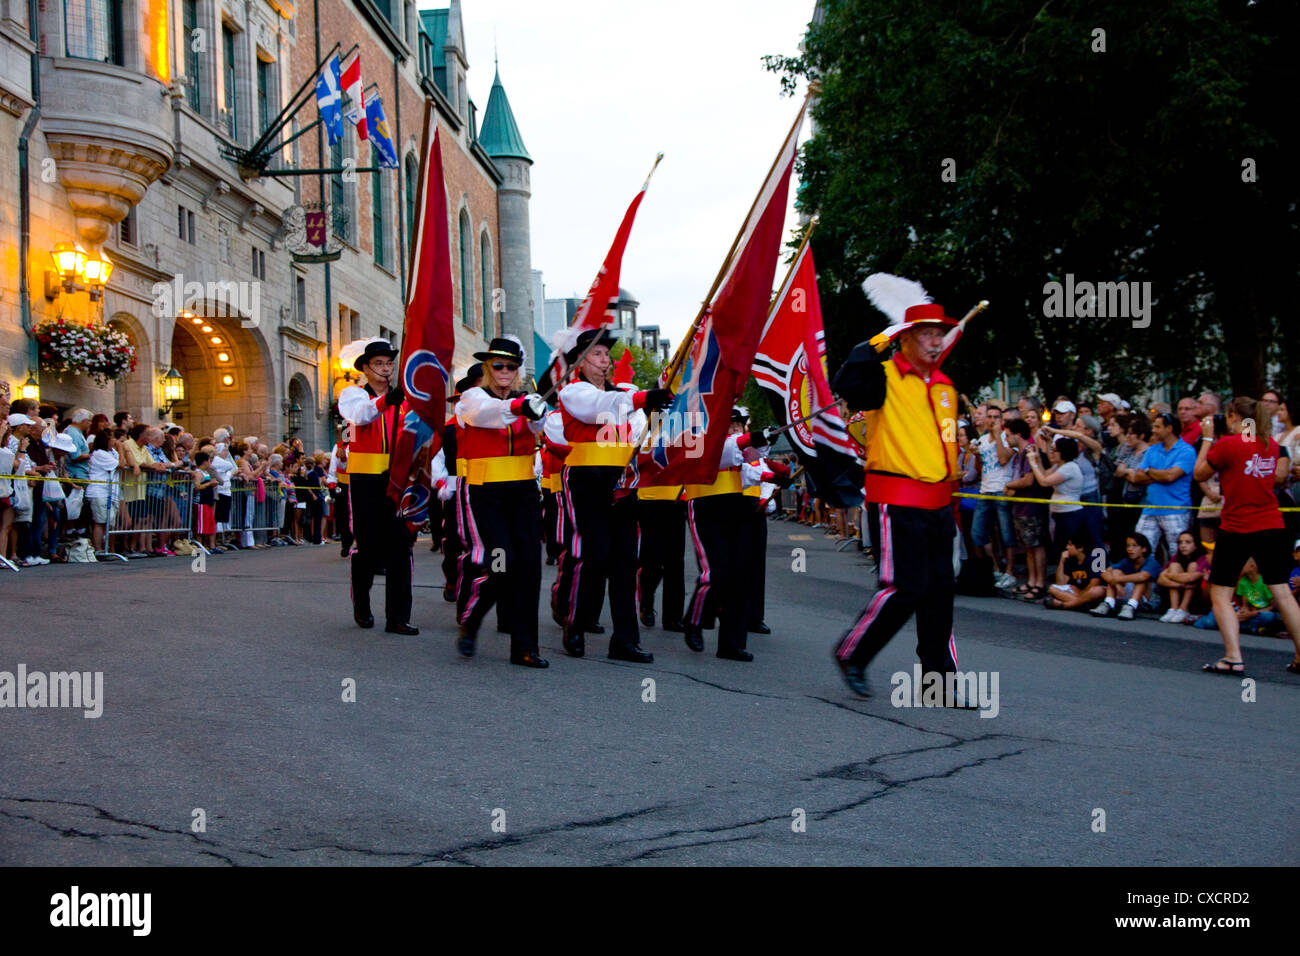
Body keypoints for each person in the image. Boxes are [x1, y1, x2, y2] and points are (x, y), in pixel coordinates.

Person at [830, 291, 967, 700]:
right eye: (925, 332)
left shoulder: (945, 386)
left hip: (939, 500)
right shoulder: (883, 376)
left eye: (939, 333)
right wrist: (878, 340)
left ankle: (938, 679)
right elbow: (847, 381)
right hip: (898, 496)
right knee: (901, 587)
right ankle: (852, 653)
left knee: (940, 590)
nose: (935, 340)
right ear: (905, 337)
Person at [556, 328, 672, 662]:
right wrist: (641, 400)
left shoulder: (624, 394)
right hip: (586, 480)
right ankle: (575, 622)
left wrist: (659, 407)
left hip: (622, 482)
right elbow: (599, 408)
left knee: (624, 561)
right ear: (580, 361)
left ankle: (625, 640)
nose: (605, 361)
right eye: (597, 354)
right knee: (594, 556)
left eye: (607, 355)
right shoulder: (573, 392)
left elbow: (639, 430)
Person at [452, 337, 549, 668]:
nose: (505, 371)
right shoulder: (471, 397)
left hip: (522, 490)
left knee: (529, 569)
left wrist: (536, 411)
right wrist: (520, 407)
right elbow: (486, 415)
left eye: (511, 366)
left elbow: (539, 427)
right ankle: (472, 617)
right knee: (500, 564)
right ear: (487, 368)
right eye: (498, 365)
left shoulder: (527, 399)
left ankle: (525, 647)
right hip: (485, 492)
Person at [1192, 396, 1300, 676]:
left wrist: (1207, 439)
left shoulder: (1228, 444)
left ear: (1232, 417)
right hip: (1271, 522)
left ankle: (1233, 656)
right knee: (1283, 592)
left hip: (1238, 525)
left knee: (1220, 590)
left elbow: (1199, 472)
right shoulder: (1270, 444)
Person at [338, 337, 418, 635]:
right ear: (366, 369)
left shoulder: (405, 402)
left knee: (401, 546)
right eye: (379, 364)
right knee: (368, 547)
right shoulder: (352, 394)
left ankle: (398, 616)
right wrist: (387, 401)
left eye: (389, 363)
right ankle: (361, 602)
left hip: (397, 480)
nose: (385, 369)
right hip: (365, 481)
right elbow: (360, 415)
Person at [681, 408, 774, 661]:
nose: (733, 427)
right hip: (706, 505)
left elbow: (752, 469)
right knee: (715, 572)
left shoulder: (739, 445)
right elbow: (718, 452)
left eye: (737, 423)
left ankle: (732, 643)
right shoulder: (698, 433)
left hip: (738, 506)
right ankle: (695, 620)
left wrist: (770, 469)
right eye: (729, 422)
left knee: (740, 575)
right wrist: (748, 441)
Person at [1129, 411, 1196, 562]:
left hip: (1175, 509)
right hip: (1150, 508)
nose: (1153, 430)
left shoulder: (1187, 451)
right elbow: (1137, 477)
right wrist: (1161, 475)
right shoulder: (1152, 449)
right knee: (1139, 552)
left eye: (1157, 427)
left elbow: (1171, 476)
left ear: (1170, 428)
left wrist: (1149, 471)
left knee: (1178, 554)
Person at [971, 403, 1016, 589]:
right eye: (989, 417)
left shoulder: (1007, 438)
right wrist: (977, 456)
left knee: (1006, 534)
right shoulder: (982, 439)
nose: (991, 421)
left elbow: (1004, 459)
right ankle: (995, 567)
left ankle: (1010, 572)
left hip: (1001, 489)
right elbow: (979, 470)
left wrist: (998, 436)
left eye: (996, 417)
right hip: (985, 489)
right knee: (978, 533)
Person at [1003, 418, 1049, 600]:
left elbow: (1029, 479)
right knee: (1028, 547)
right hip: (1020, 507)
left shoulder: (1030, 451)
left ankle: (1039, 583)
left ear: (1018, 434)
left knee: (1036, 545)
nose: (1007, 439)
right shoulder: (1018, 454)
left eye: (1008, 436)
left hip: (1031, 506)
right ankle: (1031, 580)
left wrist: (1009, 485)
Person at [1026, 435, 1085, 563]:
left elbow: (1044, 482)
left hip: (1069, 514)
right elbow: (1045, 474)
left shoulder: (1069, 468)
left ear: (1063, 452)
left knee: (1068, 547)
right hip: (1059, 513)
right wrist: (1037, 461)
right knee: (1059, 546)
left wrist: (1032, 463)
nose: (1051, 452)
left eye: (1054, 450)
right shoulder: (1059, 466)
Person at [1090, 532, 1161, 620]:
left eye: (1134, 546)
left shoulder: (1151, 561)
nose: (1130, 549)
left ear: (1144, 549)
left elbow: (1143, 576)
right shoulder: (1126, 561)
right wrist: (1114, 582)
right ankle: (1108, 603)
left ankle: (1131, 606)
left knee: (1140, 579)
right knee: (1116, 571)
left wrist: (1117, 580)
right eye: (1128, 546)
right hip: (1125, 594)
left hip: (1148, 600)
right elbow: (1105, 572)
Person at [1157, 531, 1210, 623]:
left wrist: (1170, 576)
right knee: (1174, 566)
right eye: (1180, 542)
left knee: (1193, 565)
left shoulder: (1203, 558)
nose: (1183, 545)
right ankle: (1173, 609)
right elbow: (1160, 579)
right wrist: (1180, 585)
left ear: (1196, 545)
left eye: (1188, 542)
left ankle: (1183, 609)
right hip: (1181, 589)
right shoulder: (1176, 557)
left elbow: (1191, 578)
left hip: (1197, 595)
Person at [1043, 530, 1104, 611]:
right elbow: (1060, 583)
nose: (1067, 547)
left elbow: (1095, 583)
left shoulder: (1095, 559)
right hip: (1077, 593)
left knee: (1096, 591)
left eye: (1070, 544)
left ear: (1080, 548)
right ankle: (1081, 605)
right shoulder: (1070, 559)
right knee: (1052, 588)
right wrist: (1061, 561)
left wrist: (1081, 593)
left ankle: (1066, 605)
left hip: (1090, 593)